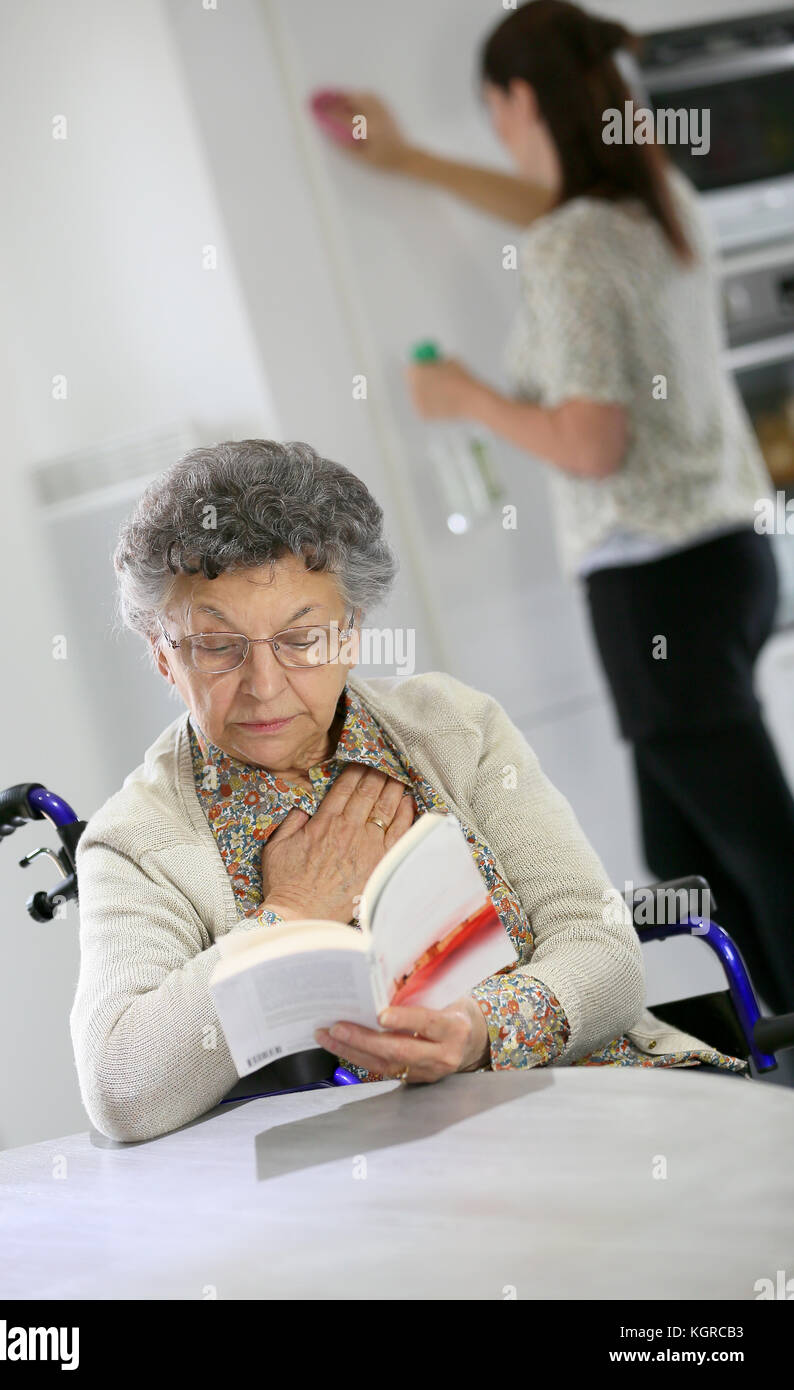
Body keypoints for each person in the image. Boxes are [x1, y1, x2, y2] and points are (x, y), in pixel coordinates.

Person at [313, 0, 794, 1018]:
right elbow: (551, 216)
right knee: (690, 853)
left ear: (516, 99)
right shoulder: (655, 202)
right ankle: (768, 1059)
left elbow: (590, 441)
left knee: (756, 849)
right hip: (726, 561)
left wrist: (468, 401)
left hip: (653, 579)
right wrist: (408, 163)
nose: (492, 130)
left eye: (491, 111)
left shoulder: (574, 243)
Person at [70, 440, 747, 1145]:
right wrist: (291, 914)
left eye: (302, 640)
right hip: (372, 1179)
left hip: (593, 1102)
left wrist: (479, 1030)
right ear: (160, 653)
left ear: (353, 630)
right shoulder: (136, 839)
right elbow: (122, 1089)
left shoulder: (455, 727)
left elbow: (603, 953)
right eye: (217, 646)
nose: (264, 684)